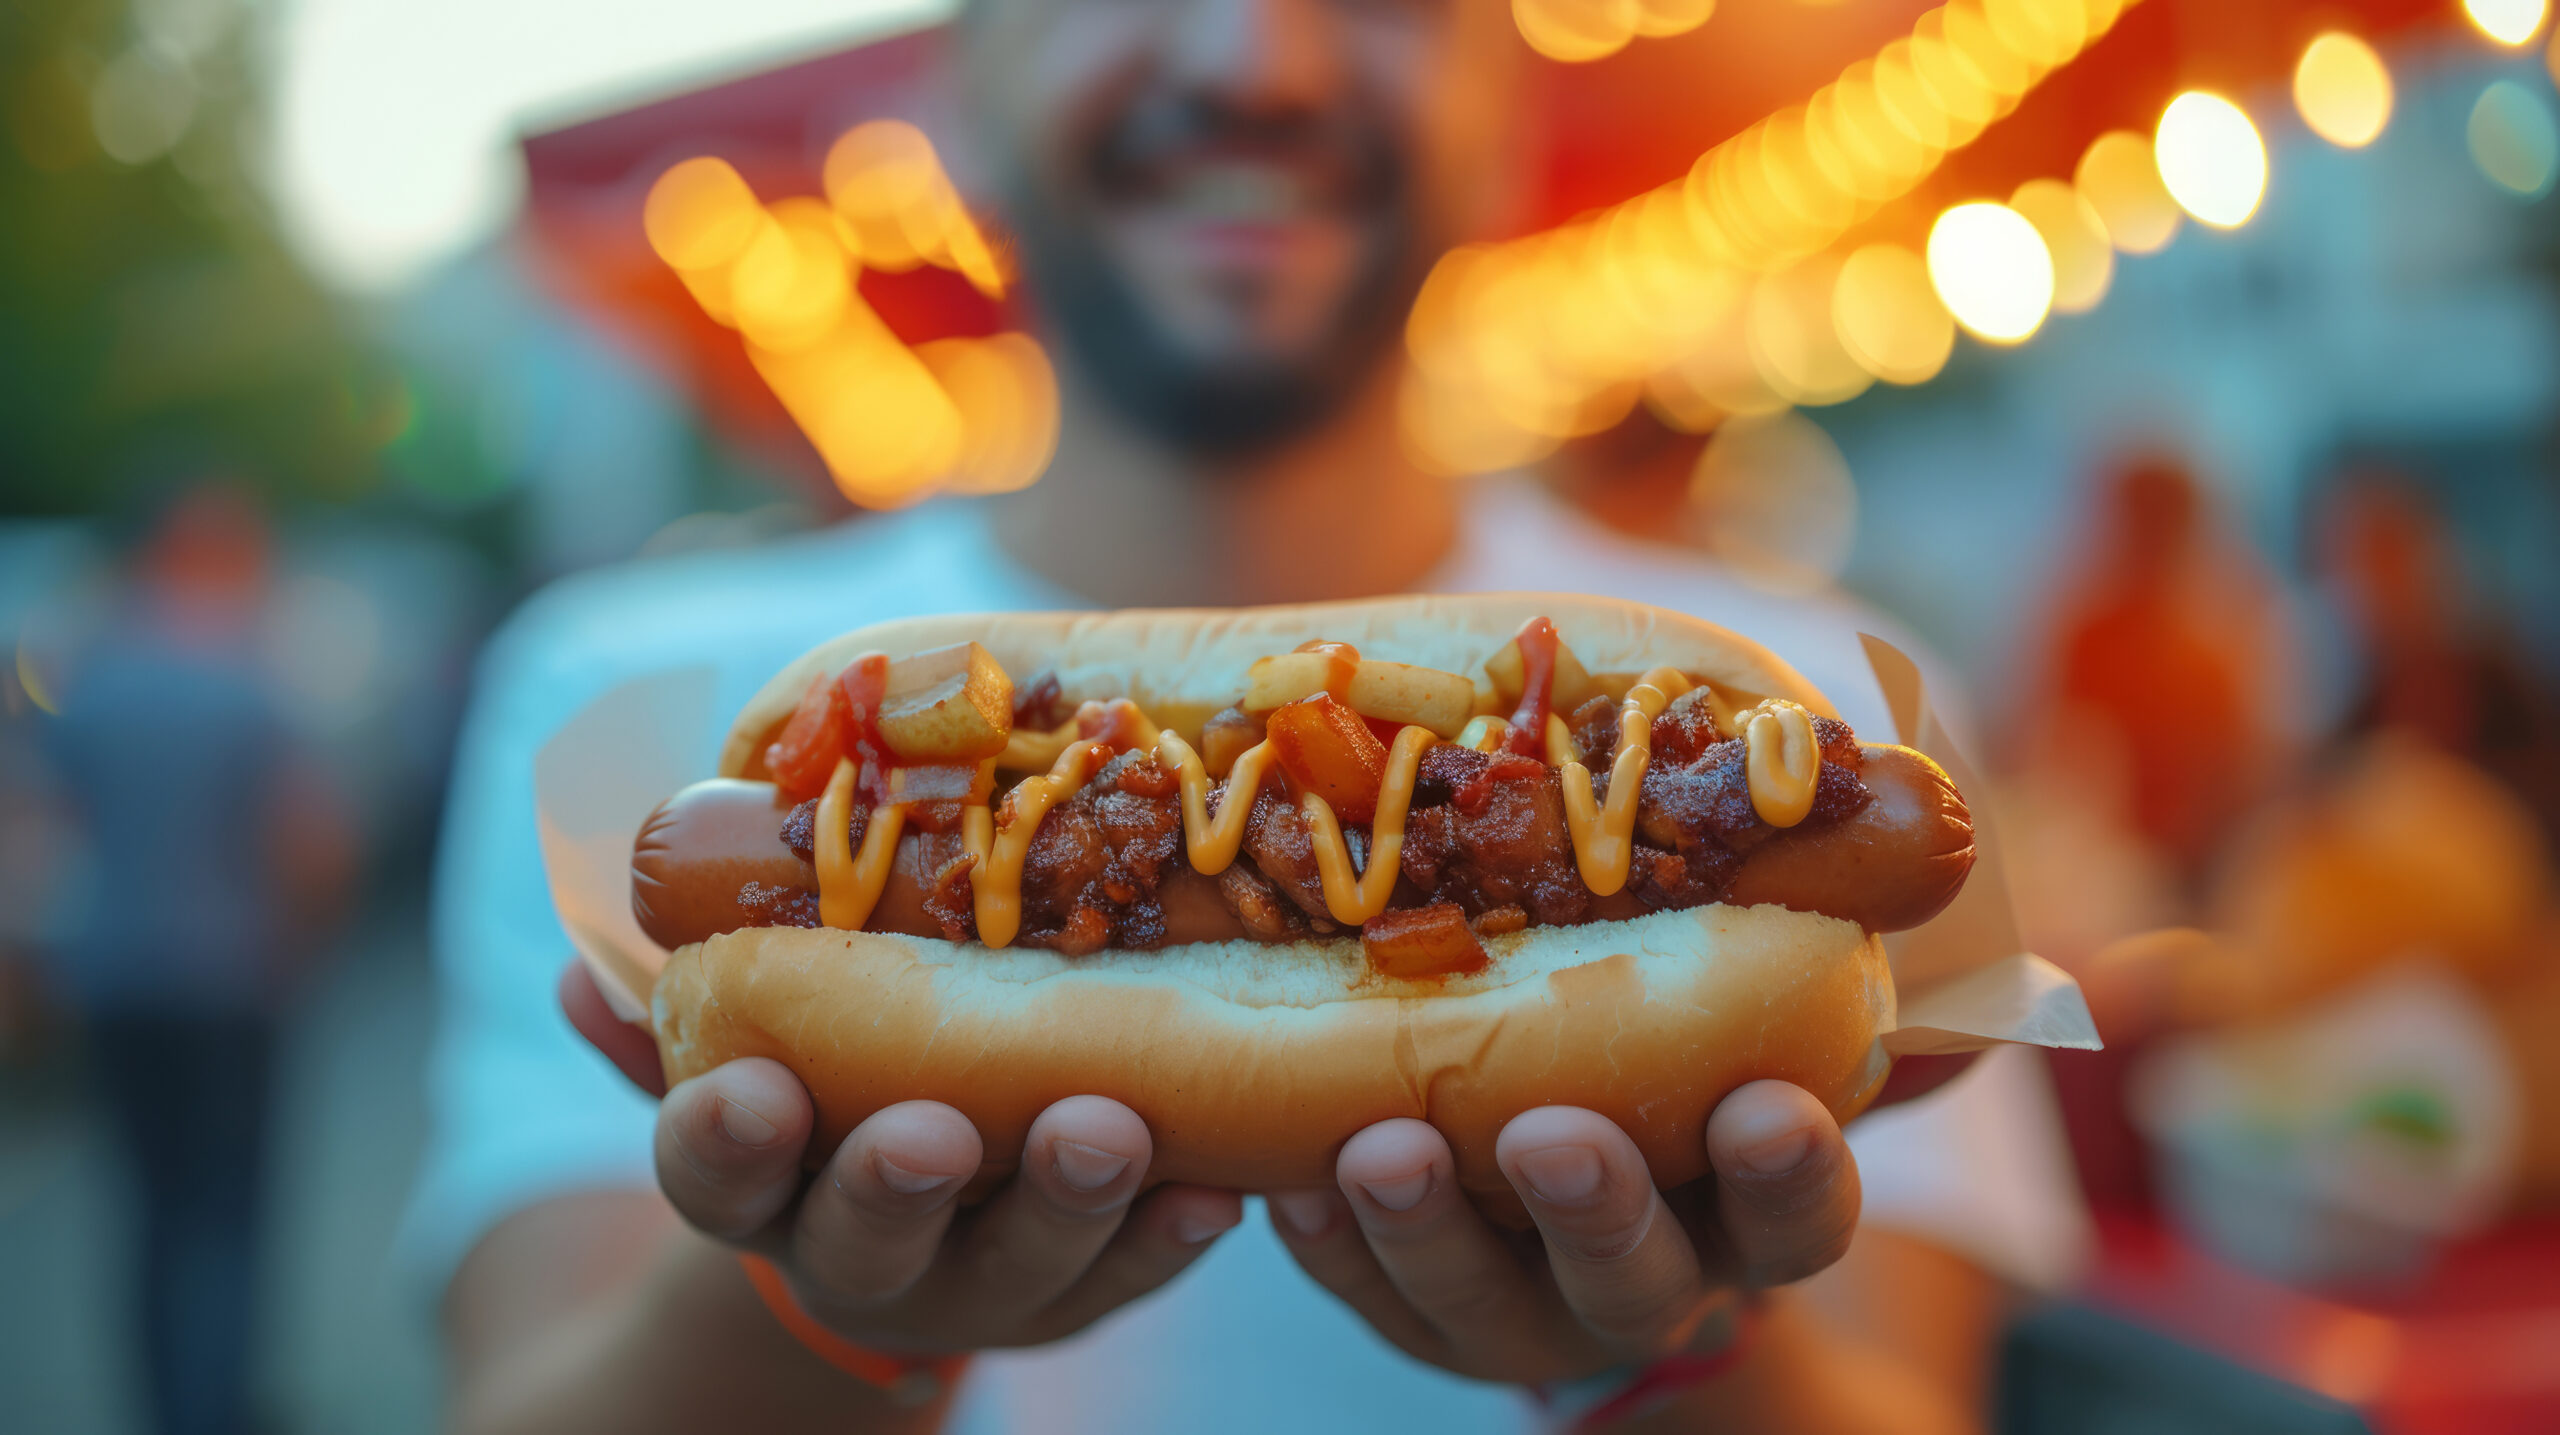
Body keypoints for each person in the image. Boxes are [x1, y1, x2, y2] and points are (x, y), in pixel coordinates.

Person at [418, 3, 2087, 1432]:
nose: (1254, 58)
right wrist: (824, 1322)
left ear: (1510, 116)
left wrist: (1677, 1363)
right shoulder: (613, 693)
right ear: (954, 107)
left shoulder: (1839, 677)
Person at [40, 485, 357, 1435]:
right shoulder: (244, 676)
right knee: (226, 1212)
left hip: (116, 976)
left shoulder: (88, 673)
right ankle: (214, 1407)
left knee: (149, 1206)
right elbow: (310, 844)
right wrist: (301, 940)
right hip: (230, 978)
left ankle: (159, 1402)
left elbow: (42, 828)